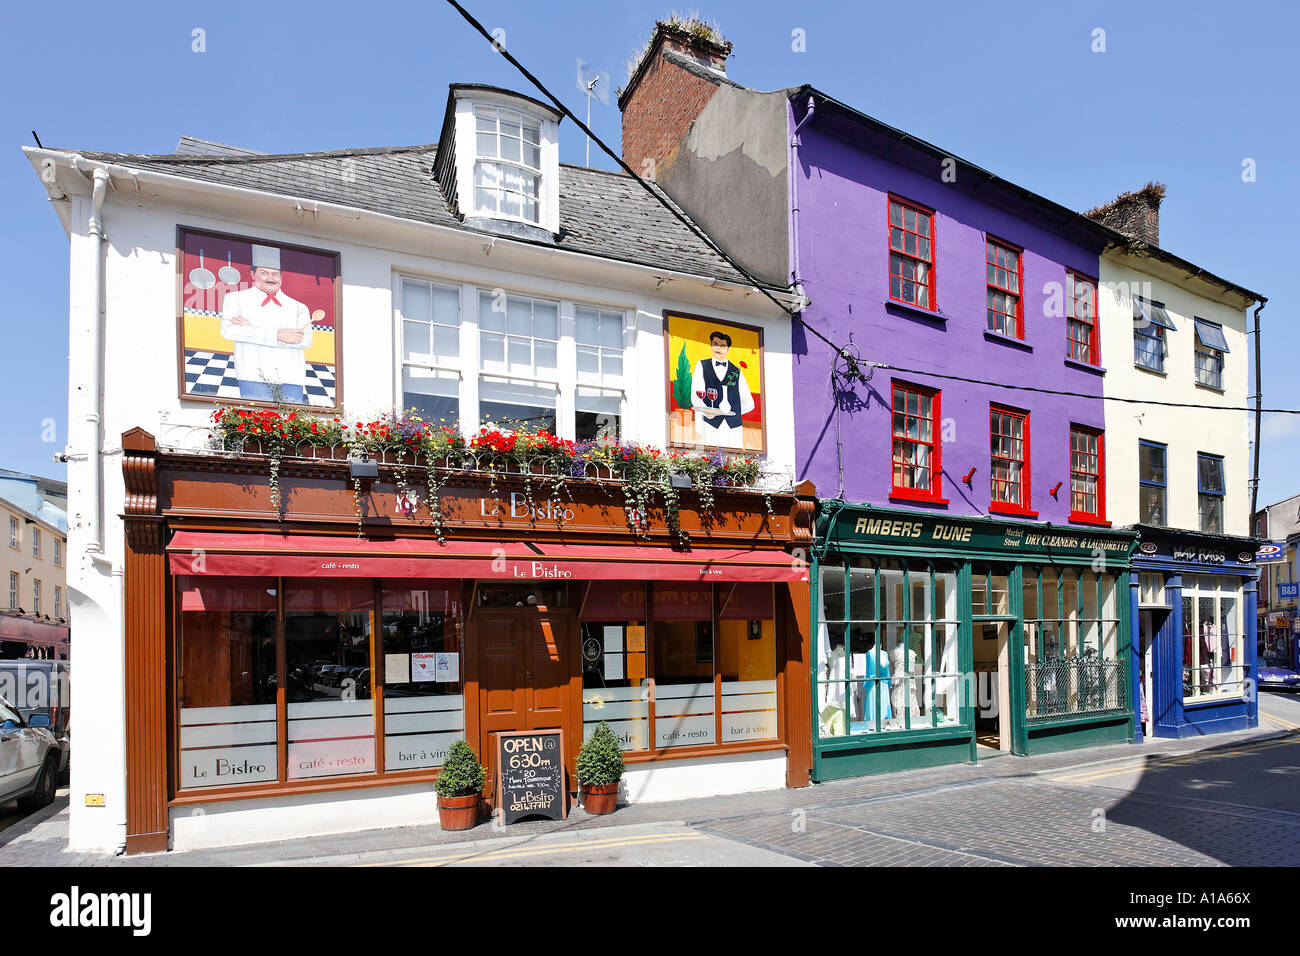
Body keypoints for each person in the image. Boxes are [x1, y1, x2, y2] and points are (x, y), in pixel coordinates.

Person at [219, 244, 313, 403]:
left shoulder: (298, 307)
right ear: (252, 274)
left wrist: (251, 331)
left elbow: (305, 340)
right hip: (251, 373)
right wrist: (279, 335)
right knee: (255, 422)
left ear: (281, 277)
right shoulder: (235, 299)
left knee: (291, 424)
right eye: (264, 273)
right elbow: (228, 331)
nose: (271, 278)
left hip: (290, 375)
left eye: (276, 274)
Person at [689, 330, 754, 449]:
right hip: (710, 424)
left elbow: (749, 403)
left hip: (733, 428)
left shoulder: (737, 372)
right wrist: (706, 412)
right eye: (715, 344)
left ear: (728, 349)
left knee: (734, 461)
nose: (718, 348)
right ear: (711, 346)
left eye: (723, 345)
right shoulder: (702, 365)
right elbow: (695, 394)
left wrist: (733, 413)